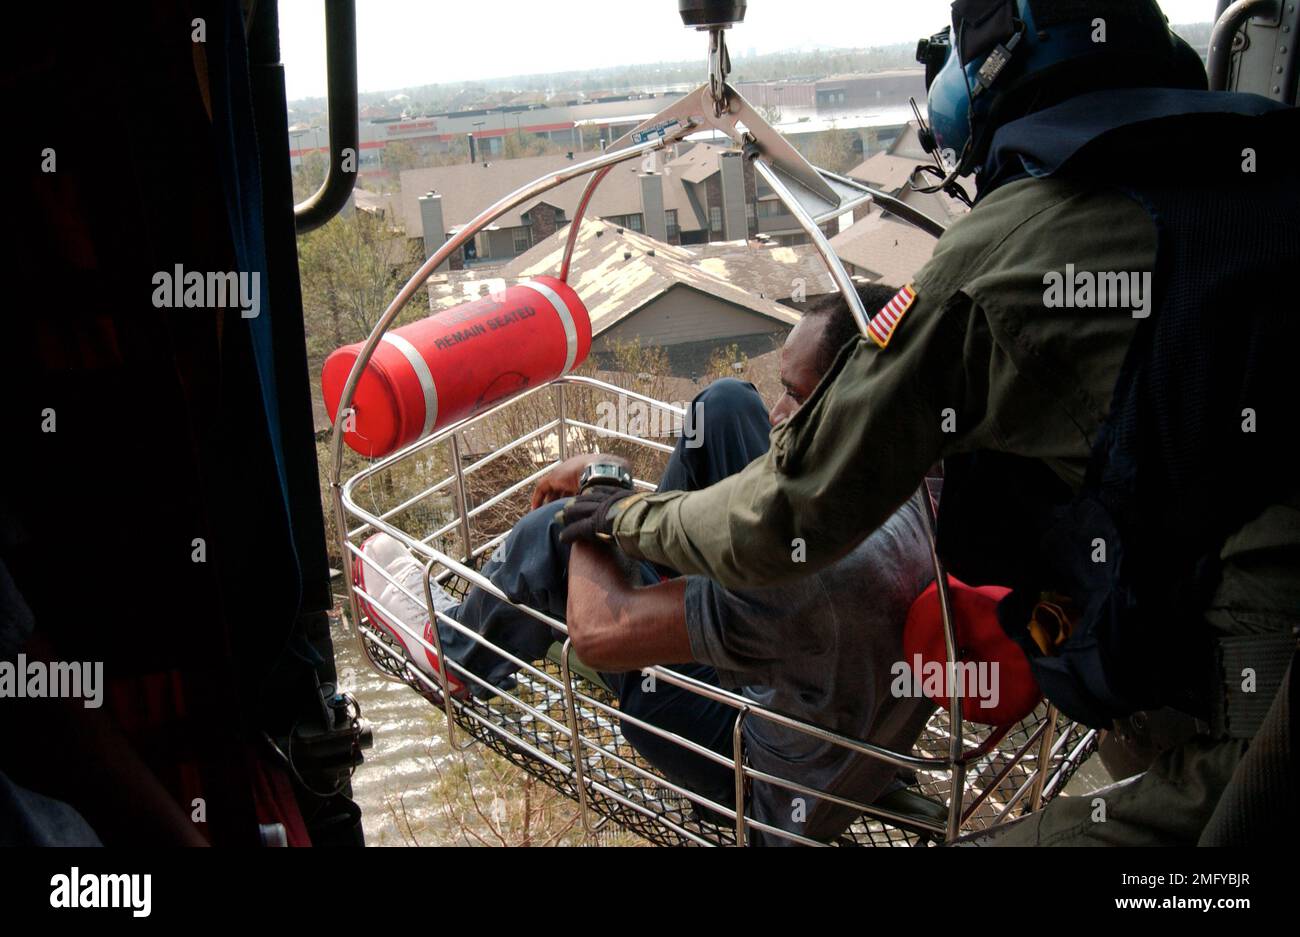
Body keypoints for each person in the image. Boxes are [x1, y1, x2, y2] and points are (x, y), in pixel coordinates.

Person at [557, 0, 1300, 845]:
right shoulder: (1265, 164)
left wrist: (620, 511)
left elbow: (781, 513)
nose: (775, 414)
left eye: (798, 399)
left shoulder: (1015, 246)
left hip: (1248, 747)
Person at [360, 284, 938, 845]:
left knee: (560, 533)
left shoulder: (804, 574)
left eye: (797, 395)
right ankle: (643, 556)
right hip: (825, 693)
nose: (779, 413)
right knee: (726, 408)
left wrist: (600, 489)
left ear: (856, 401)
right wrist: (627, 515)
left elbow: (599, 636)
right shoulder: (917, 481)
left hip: (756, 773)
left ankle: (455, 651)